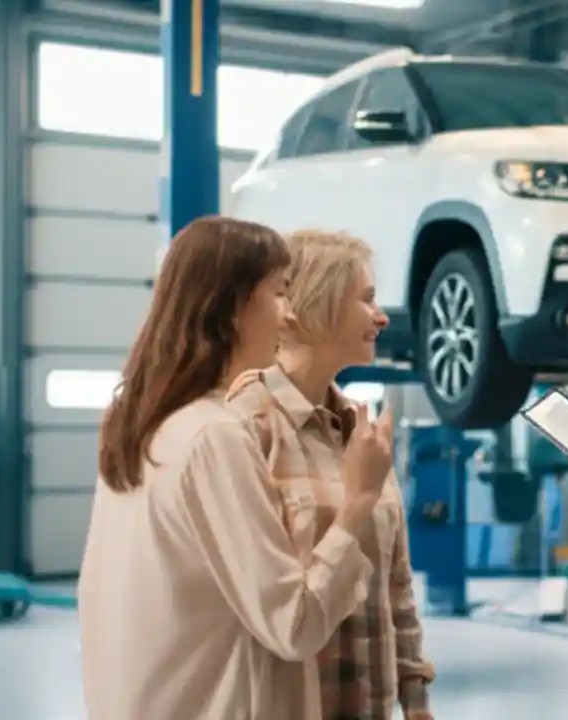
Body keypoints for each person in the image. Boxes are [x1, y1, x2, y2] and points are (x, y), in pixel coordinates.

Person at [78, 216, 396, 720]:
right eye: (280, 293)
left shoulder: (141, 428)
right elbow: (294, 625)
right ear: (232, 308)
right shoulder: (215, 437)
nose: (289, 316)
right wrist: (358, 501)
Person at [226, 229, 436, 720]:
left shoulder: (361, 434)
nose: (382, 317)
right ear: (315, 301)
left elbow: (396, 587)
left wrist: (416, 702)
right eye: (366, 299)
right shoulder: (245, 427)